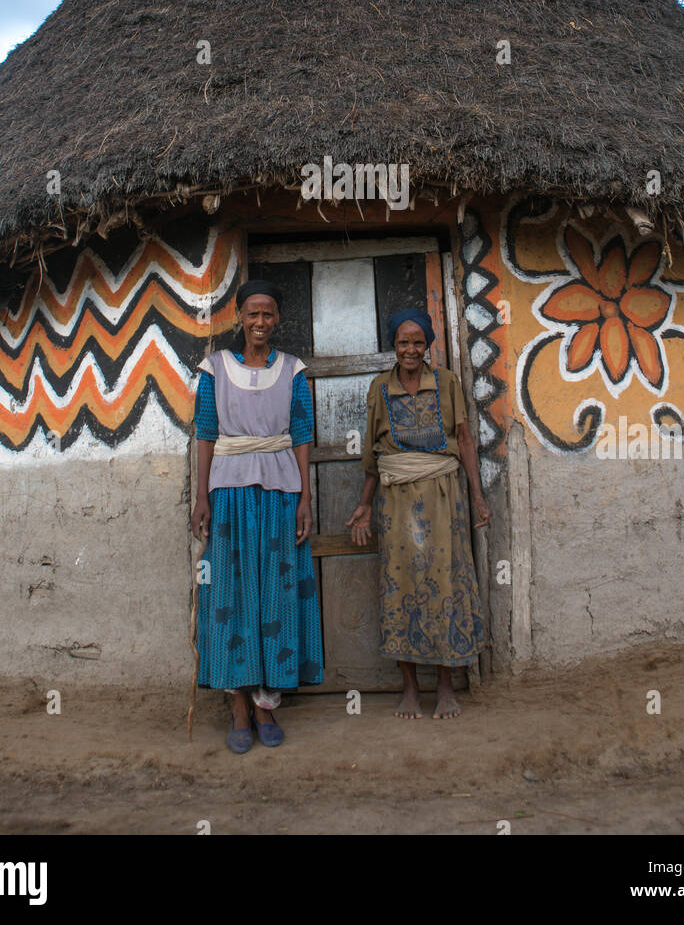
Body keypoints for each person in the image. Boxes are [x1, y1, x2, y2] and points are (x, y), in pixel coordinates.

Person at [190, 279, 323, 753]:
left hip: (280, 492)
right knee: (232, 591)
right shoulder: (215, 368)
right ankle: (238, 709)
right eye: (252, 313)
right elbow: (206, 432)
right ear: (240, 317)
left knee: (275, 592)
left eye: (268, 314)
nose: (260, 322)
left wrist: (306, 496)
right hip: (227, 492)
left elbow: (303, 433)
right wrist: (202, 495)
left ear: (277, 319)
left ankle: (267, 703)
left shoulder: (293, 371)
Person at [346, 309, 490, 719]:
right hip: (396, 503)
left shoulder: (446, 382)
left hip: (444, 497)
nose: (410, 350)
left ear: (428, 345)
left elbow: (463, 439)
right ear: (394, 345)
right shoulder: (379, 387)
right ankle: (409, 688)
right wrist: (363, 505)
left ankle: (445, 687)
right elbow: (374, 455)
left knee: (446, 585)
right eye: (403, 342)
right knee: (400, 585)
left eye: (417, 342)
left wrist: (478, 496)